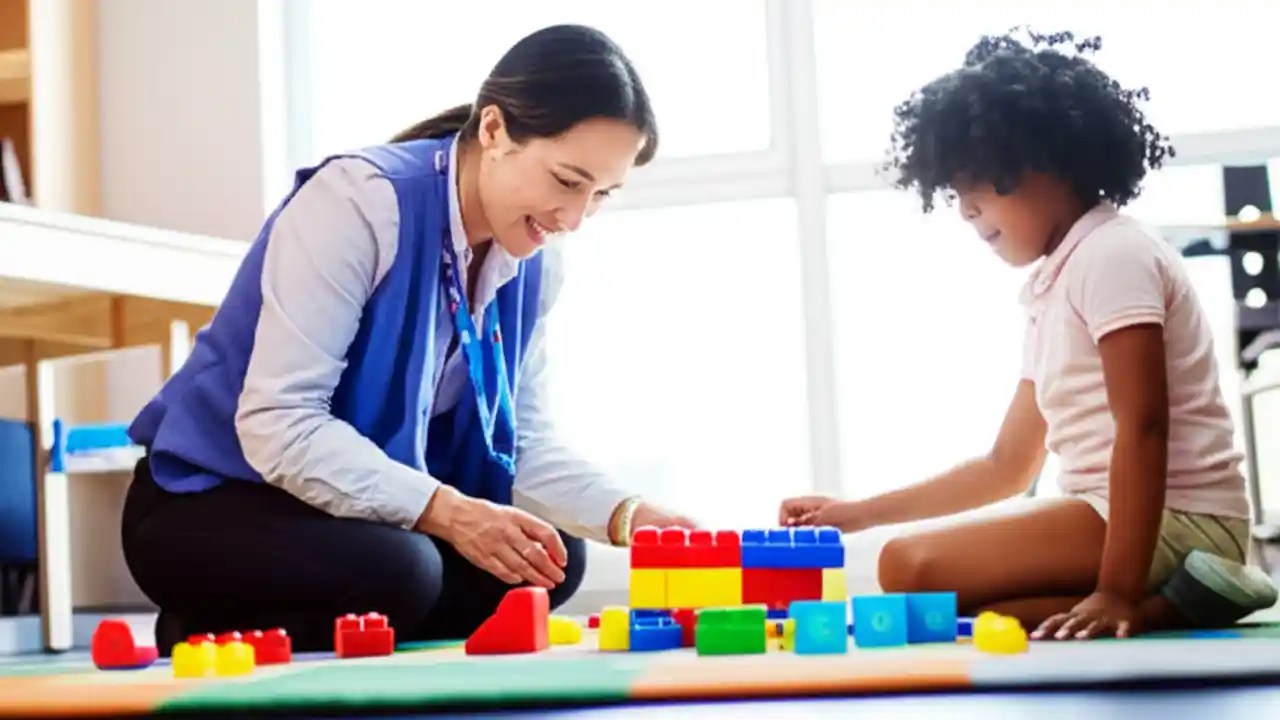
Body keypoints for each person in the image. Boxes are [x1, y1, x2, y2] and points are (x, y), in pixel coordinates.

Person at [120, 24, 696, 653]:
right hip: (211, 502)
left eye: (602, 195)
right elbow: (279, 423)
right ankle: (201, 625)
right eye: (566, 181)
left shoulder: (534, 258)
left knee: (550, 561)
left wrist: (629, 515)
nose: (576, 218)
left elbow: (520, 440)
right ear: (496, 130)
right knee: (403, 572)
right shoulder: (358, 203)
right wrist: (451, 513)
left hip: (344, 517)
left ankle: (336, 623)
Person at [780, 28, 1276, 639]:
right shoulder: (1053, 285)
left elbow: (1144, 427)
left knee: (907, 568)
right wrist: (853, 514)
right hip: (1112, 515)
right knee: (934, 611)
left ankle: (1157, 600)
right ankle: (1177, 602)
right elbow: (1007, 465)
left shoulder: (1112, 253)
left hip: (1186, 520)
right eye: (955, 189)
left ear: (1049, 161)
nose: (964, 206)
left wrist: (1114, 592)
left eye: (977, 182)